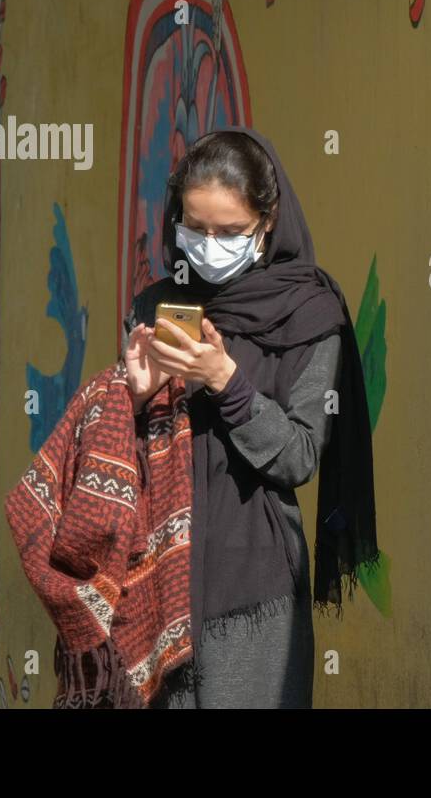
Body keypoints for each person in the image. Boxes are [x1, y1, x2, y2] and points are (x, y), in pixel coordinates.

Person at [120, 127, 377, 708]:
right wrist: (133, 401)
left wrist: (224, 381)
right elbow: (121, 460)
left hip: (254, 594)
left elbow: (300, 455)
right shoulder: (157, 307)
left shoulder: (309, 313)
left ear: (267, 223)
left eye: (229, 231)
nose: (208, 245)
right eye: (195, 228)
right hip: (157, 584)